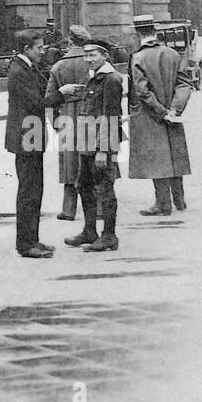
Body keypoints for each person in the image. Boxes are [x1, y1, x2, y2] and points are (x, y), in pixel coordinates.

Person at [128, 14, 193, 216]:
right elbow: (184, 84)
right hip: (173, 114)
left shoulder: (138, 57)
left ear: (137, 33)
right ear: (155, 30)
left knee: (157, 160)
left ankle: (162, 204)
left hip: (151, 116)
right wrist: (174, 110)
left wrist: (161, 112)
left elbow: (142, 91)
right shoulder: (173, 54)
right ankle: (180, 201)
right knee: (175, 155)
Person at [64, 38, 123, 252]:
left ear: (105, 56)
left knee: (104, 188)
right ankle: (90, 231)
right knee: (84, 186)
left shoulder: (111, 79)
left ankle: (109, 236)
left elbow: (111, 116)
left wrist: (103, 151)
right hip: (87, 144)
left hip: (101, 147)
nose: (88, 59)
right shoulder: (94, 78)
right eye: (86, 55)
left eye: (93, 55)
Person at [4, 30, 53, 258]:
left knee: (35, 190)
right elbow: (36, 102)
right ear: (27, 49)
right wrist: (61, 94)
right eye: (39, 48)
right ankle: (25, 244)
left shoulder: (27, 67)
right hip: (26, 137)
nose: (43, 51)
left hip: (31, 136)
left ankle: (33, 239)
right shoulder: (19, 71)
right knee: (28, 192)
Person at [44, 23, 91, 221]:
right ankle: (96, 209)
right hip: (91, 113)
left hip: (67, 115)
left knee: (70, 162)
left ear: (70, 41)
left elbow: (50, 99)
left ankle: (69, 210)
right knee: (94, 157)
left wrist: (55, 123)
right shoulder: (94, 62)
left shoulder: (58, 66)